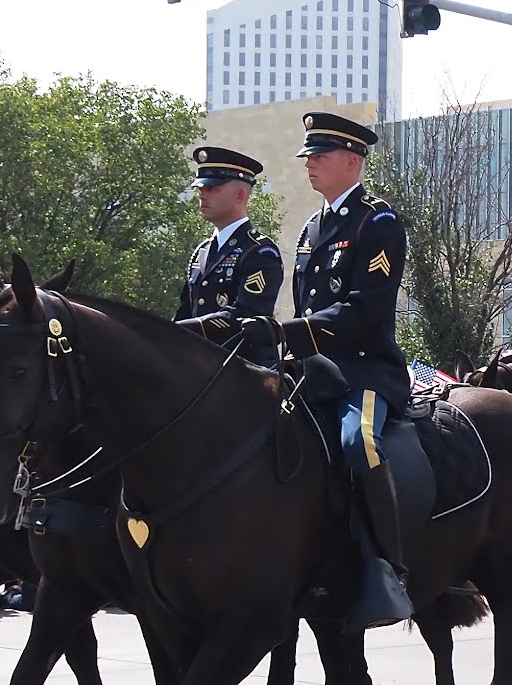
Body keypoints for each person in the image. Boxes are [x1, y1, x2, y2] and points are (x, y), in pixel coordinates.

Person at [278, 112, 413, 628]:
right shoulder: (313, 228)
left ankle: (389, 566)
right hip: (313, 371)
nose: (310, 164)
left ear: (351, 161)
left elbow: (365, 310)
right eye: (309, 156)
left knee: (361, 443)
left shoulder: (377, 222)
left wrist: (290, 332)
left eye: (320, 155)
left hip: (365, 372)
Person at [173, 146, 283, 365]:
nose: (202, 195)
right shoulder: (202, 252)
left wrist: (178, 330)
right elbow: (186, 310)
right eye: (201, 188)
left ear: (240, 195)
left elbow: (244, 316)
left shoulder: (260, 252)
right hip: (202, 367)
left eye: (212, 188)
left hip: (245, 371)